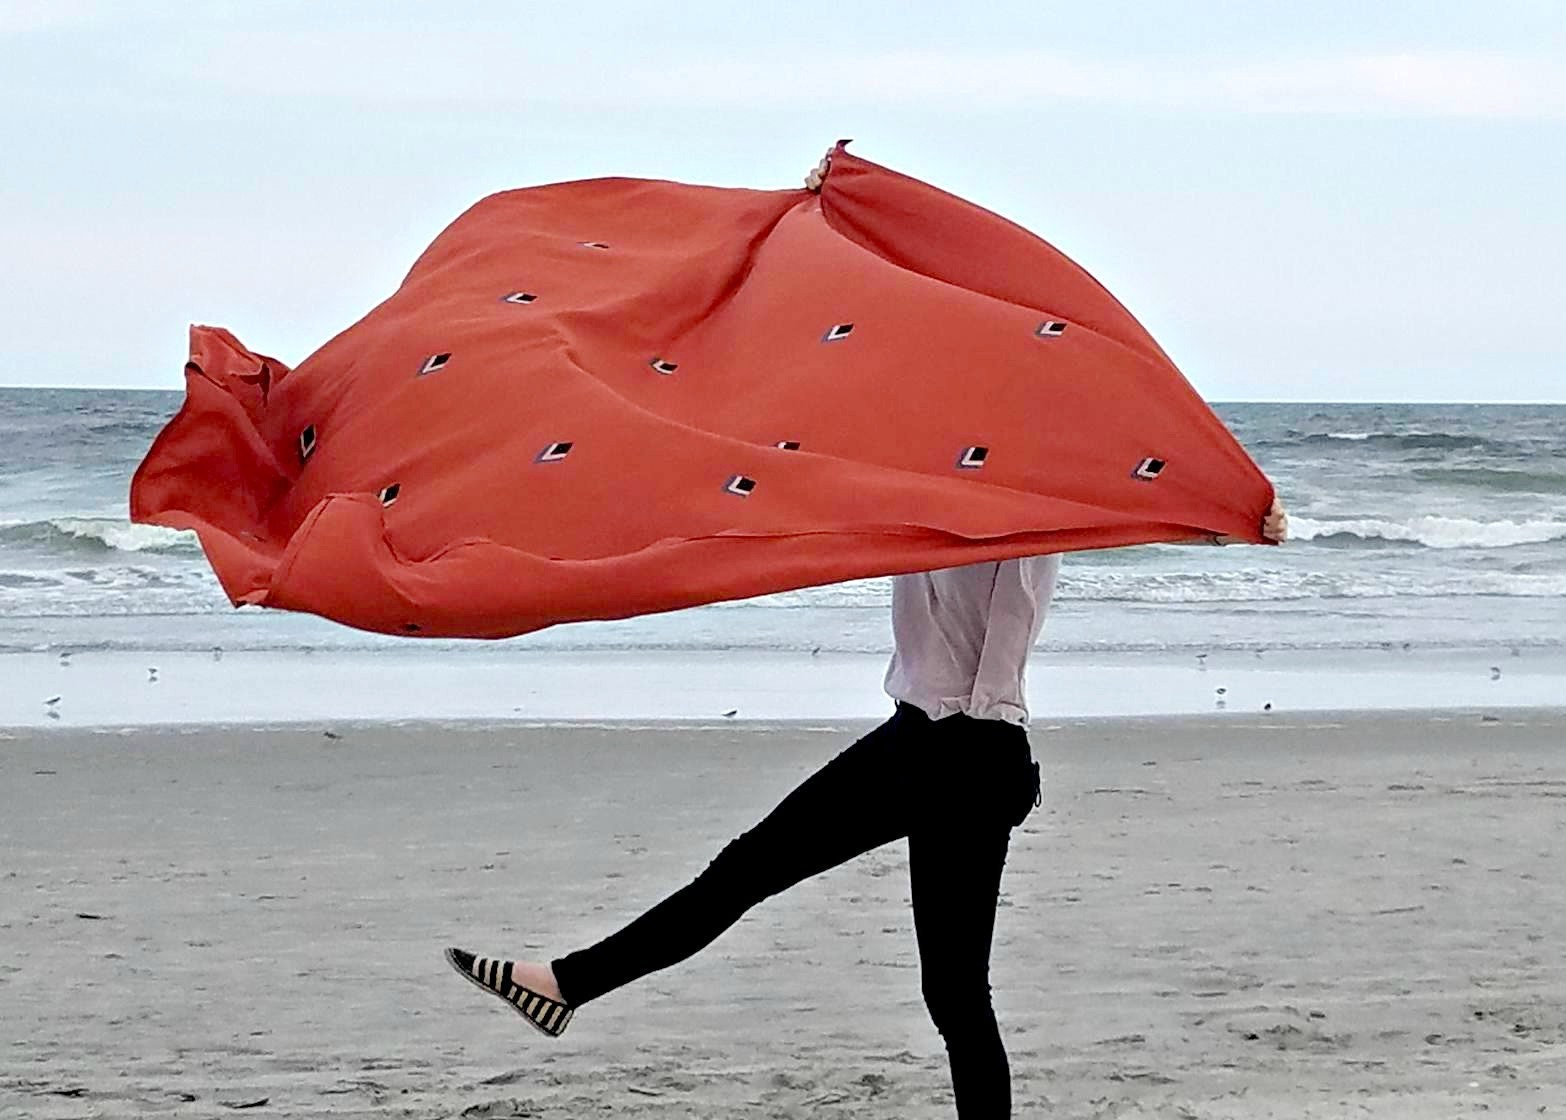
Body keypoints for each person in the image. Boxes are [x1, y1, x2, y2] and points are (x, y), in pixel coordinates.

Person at [444, 153, 1291, 1118]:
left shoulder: (1031, 513)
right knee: (788, 898)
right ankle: (563, 985)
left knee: (919, 973)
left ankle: (566, 984)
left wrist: (1233, 508)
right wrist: (840, 216)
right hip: (923, 744)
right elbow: (862, 362)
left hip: (967, 756)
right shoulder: (917, 492)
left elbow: (1124, 483)